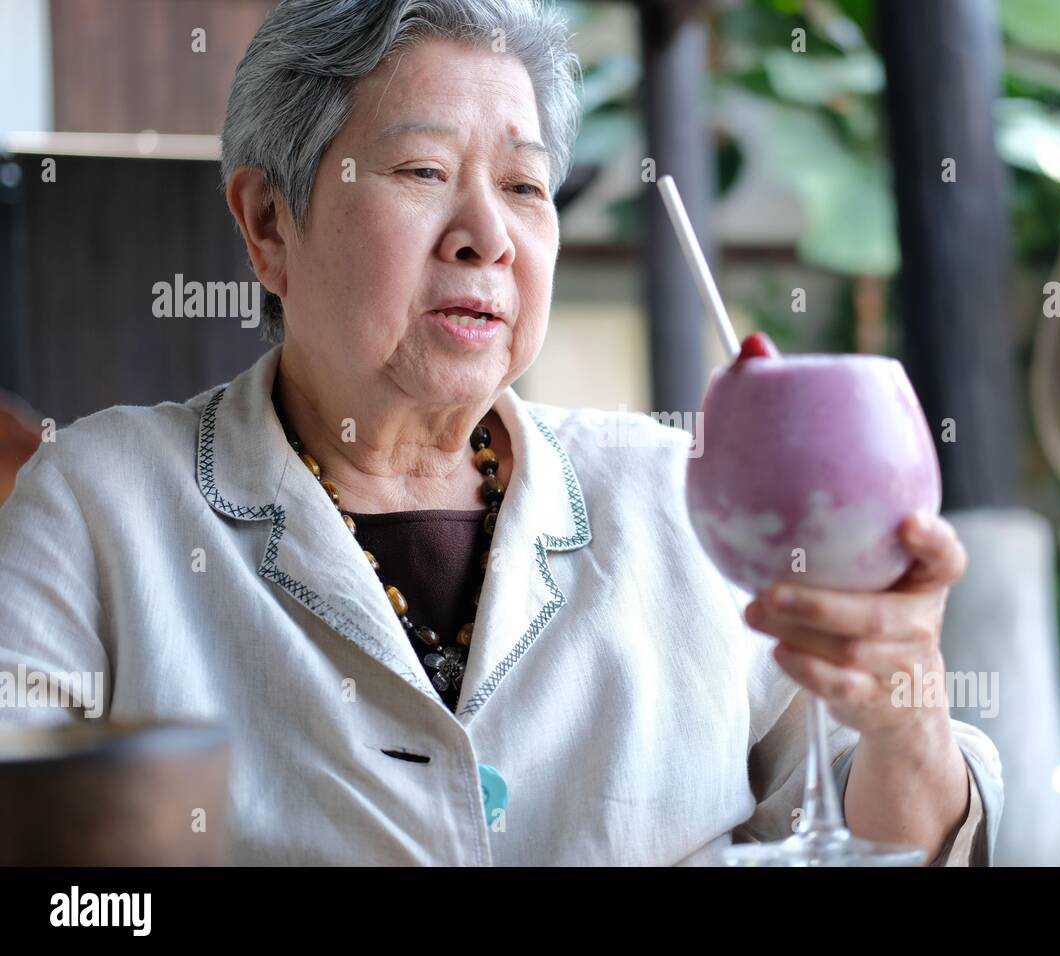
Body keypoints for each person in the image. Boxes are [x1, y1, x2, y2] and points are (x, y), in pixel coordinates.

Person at [0, 0, 1001, 865]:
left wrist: (902, 709)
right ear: (268, 223)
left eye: (525, 186)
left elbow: (891, 845)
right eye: (423, 169)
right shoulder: (104, 500)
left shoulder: (687, 499)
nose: (489, 233)